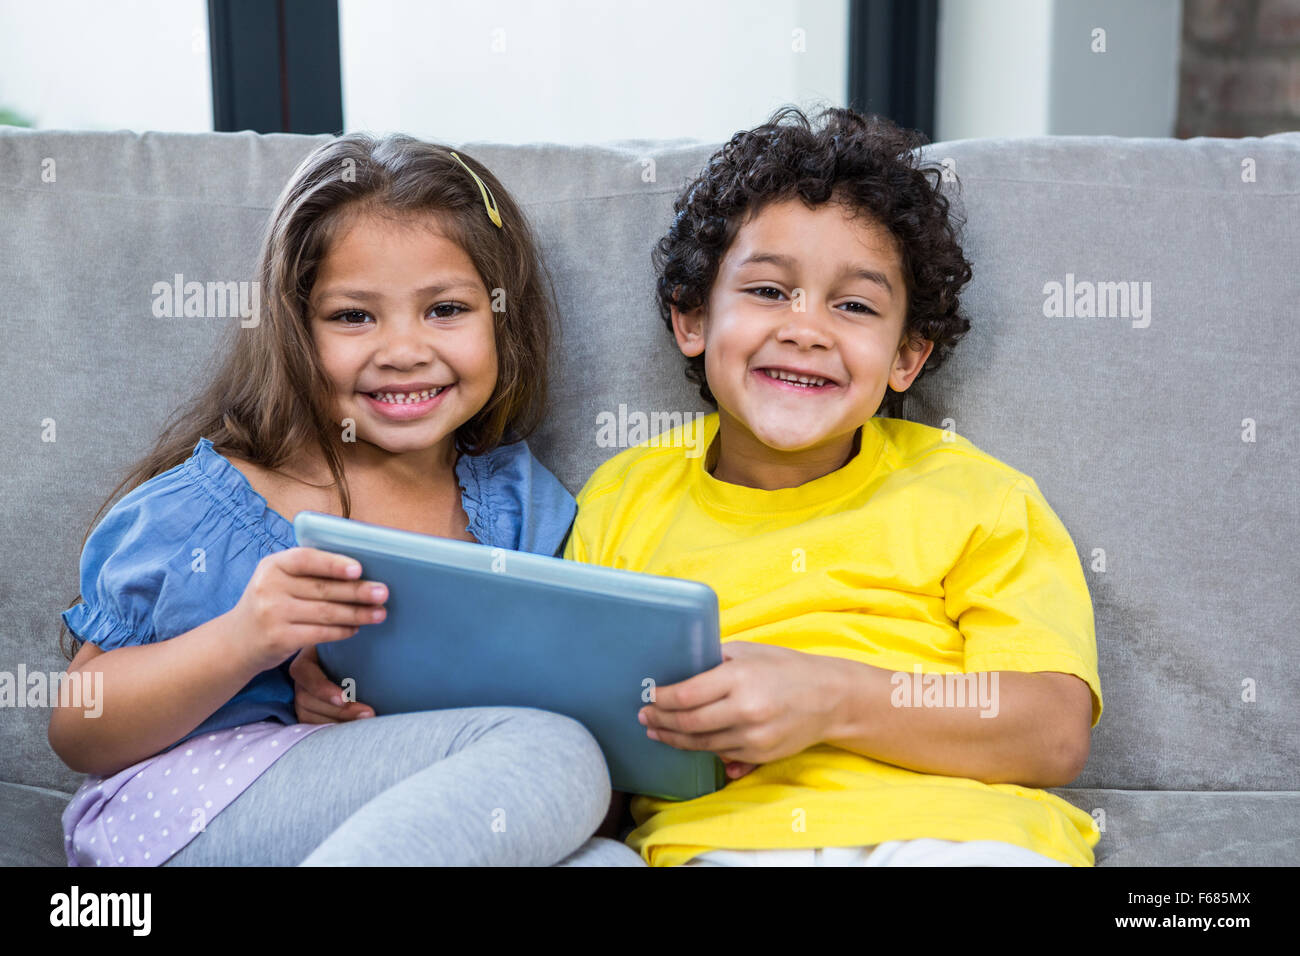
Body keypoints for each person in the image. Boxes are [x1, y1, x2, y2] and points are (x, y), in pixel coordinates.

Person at [49, 133, 643, 867]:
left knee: (608, 860)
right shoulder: (212, 505)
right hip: (189, 814)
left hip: (385, 815)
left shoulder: (518, 509)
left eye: (446, 309)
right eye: (354, 316)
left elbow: (531, 752)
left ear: (503, 321)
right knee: (554, 749)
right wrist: (246, 639)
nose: (401, 349)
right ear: (294, 330)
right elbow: (79, 728)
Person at [564, 105, 1103, 866]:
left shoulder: (979, 497)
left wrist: (829, 700)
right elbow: (585, 722)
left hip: (958, 834)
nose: (806, 328)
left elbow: (1051, 731)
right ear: (691, 318)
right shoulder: (621, 500)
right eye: (767, 291)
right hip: (723, 843)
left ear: (905, 359)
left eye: (853, 306)